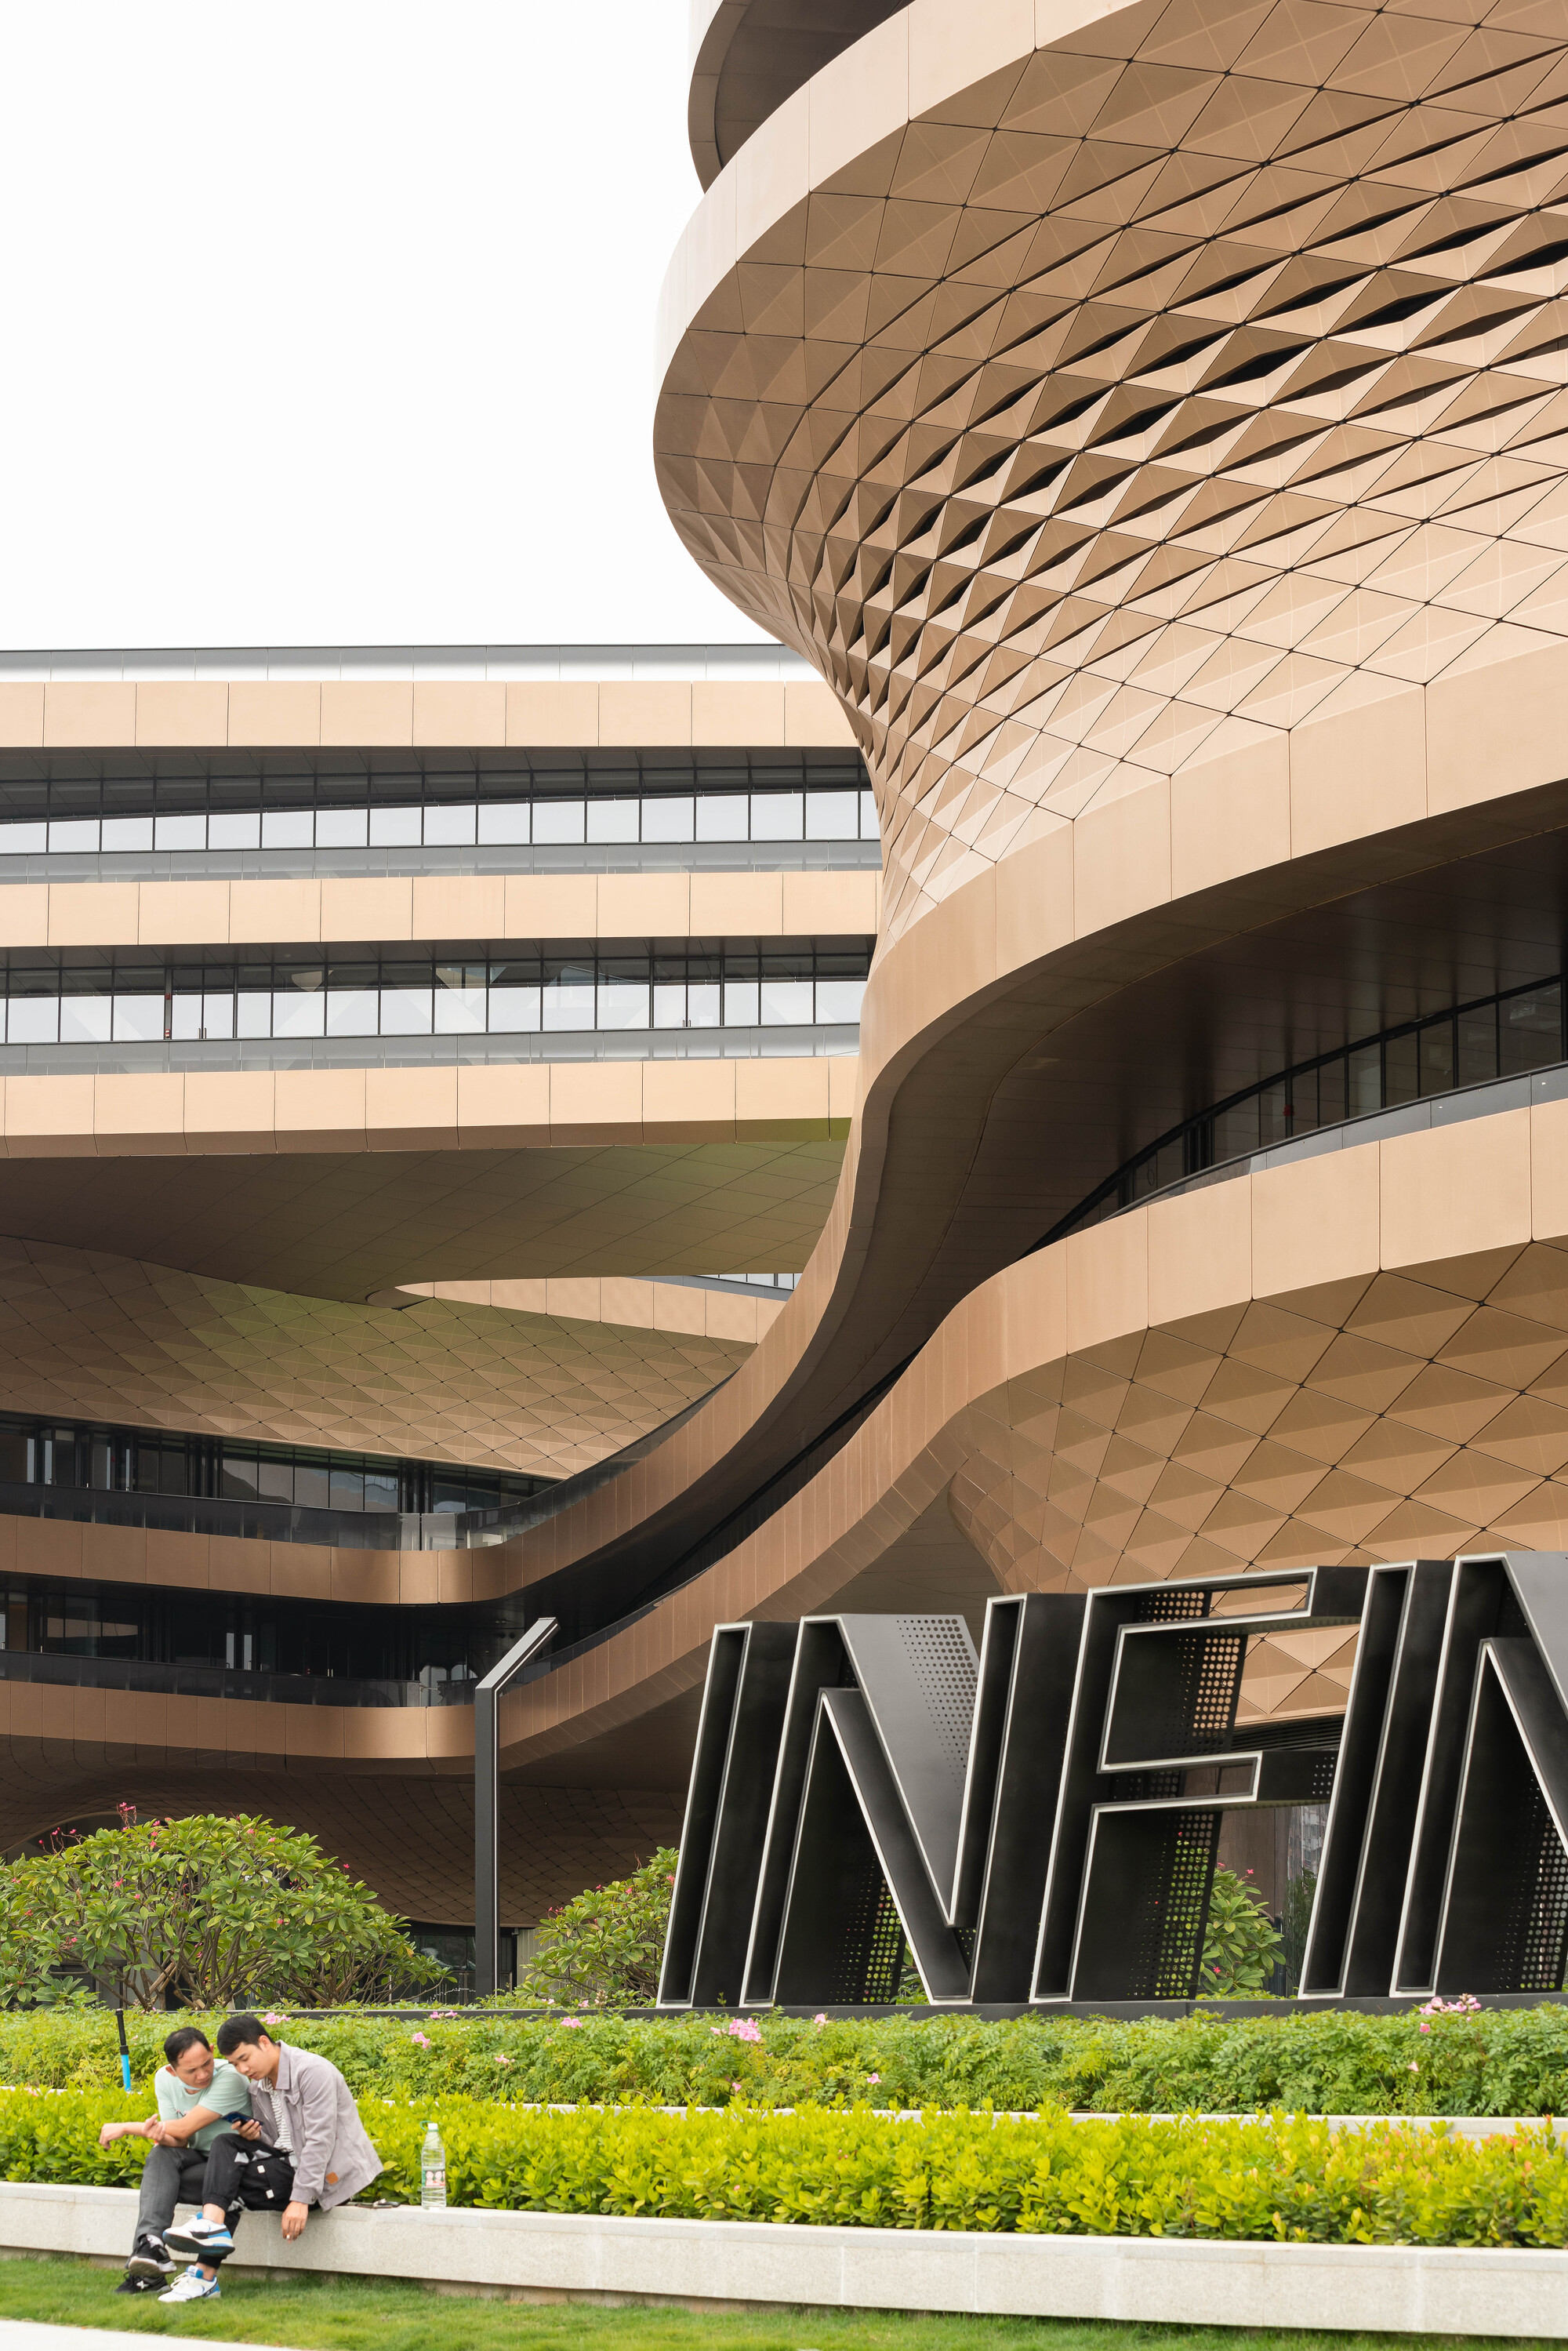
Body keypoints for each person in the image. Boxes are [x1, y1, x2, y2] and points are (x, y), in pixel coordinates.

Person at [159, 2013, 383, 2306]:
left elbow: (319, 2143)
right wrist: (255, 2137)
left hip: (324, 2180)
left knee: (227, 2185)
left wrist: (301, 2199)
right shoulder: (259, 2085)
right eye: (235, 2064)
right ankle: (209, 2240)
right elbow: (279, 2141)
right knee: (226, 2142)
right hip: (283, 2166)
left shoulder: (312, 2072)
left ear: (264, 2042)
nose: (242, 2068)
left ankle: (203, 2274)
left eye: (244, 2058)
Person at [96, 2025, 254, 2294]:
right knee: (161, 2153)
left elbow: (182, 2129)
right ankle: (152, 2245)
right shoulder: (164, 2079)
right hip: (198, 2163)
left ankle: (149, 2276)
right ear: (173, 2071)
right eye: (191, 2071)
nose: (203, 2074)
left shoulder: (231, 2078)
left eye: (206, 2064)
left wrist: (125, 2127)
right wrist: (156, 2133)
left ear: (212, 2052)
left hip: (235, 2169)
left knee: (158, 2183)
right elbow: (178, 2141)